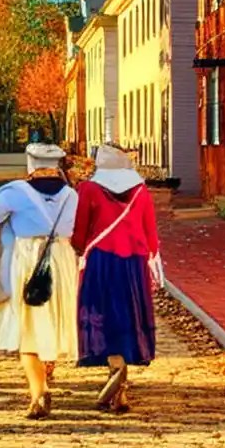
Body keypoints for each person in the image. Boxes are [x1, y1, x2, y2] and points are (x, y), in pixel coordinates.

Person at [0, 143, 79, 419]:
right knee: (52, 319)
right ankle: (48, 368)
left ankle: (38, 391)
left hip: (27, 259)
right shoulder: (70, 195)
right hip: (61, 258)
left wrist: (7, 232)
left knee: (27, 324)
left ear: (30, 165)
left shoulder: (15, 192)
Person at [71, 144, 163, 414]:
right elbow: (151, 232)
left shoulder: (88, 190)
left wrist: (77, 249)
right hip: (133, 262)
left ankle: (116, 370)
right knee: (127, 316)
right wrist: (152, 258)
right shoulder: (140, 191)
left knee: (101, 315)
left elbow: (80, 231)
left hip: (101, 260)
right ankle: (120, 386)